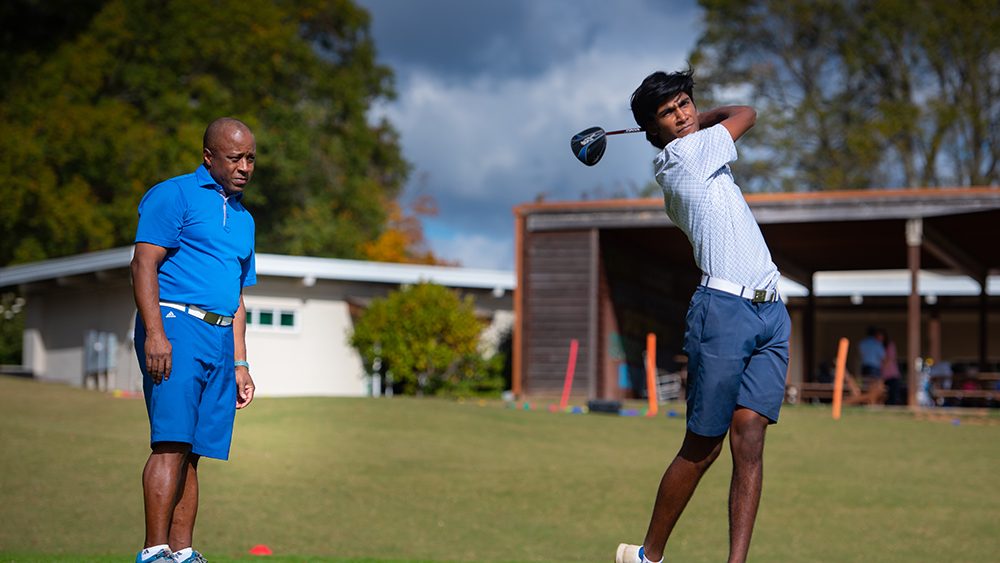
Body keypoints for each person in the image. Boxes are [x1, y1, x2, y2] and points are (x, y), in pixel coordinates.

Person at [615, 69, 791, 563]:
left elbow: (730, 122)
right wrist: (707, 118)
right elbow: (747, 114)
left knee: (751, 435)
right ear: (655, 131)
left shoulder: (700, 150)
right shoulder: (685, 156)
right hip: (724, 310)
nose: (681, 115)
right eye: (668, 113)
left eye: (684, 104)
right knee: (705, 446)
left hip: (770, 308)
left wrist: (698, 118)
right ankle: (647, 555)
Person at [130, 117, 258, 563]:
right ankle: (154, 552)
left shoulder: (244, 219)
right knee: (171, 442)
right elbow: (143, 264)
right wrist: (155, 334)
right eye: (235, 157)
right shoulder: (174, 194)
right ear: (208, 157)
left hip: (221, 339)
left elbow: (237, 296)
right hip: (175, 327)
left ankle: (182, 553)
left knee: (195, 451)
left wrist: (241, 364)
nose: (245, 167)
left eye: (251, 158)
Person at [857, 326, 885, 392]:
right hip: (874, 368)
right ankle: (872, 399)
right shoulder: (877, 343)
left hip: (865, 367)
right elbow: (882, 357)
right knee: (875, 385)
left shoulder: (862, 343)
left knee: (865, 385)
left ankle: (866, 399)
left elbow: (860, 354)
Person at [880, 329, 902, 405]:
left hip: (892, 374)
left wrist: (882, 368)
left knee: (893, 393)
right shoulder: (878, 346)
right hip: (883, 376)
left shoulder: (890, 345)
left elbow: (890, 358)